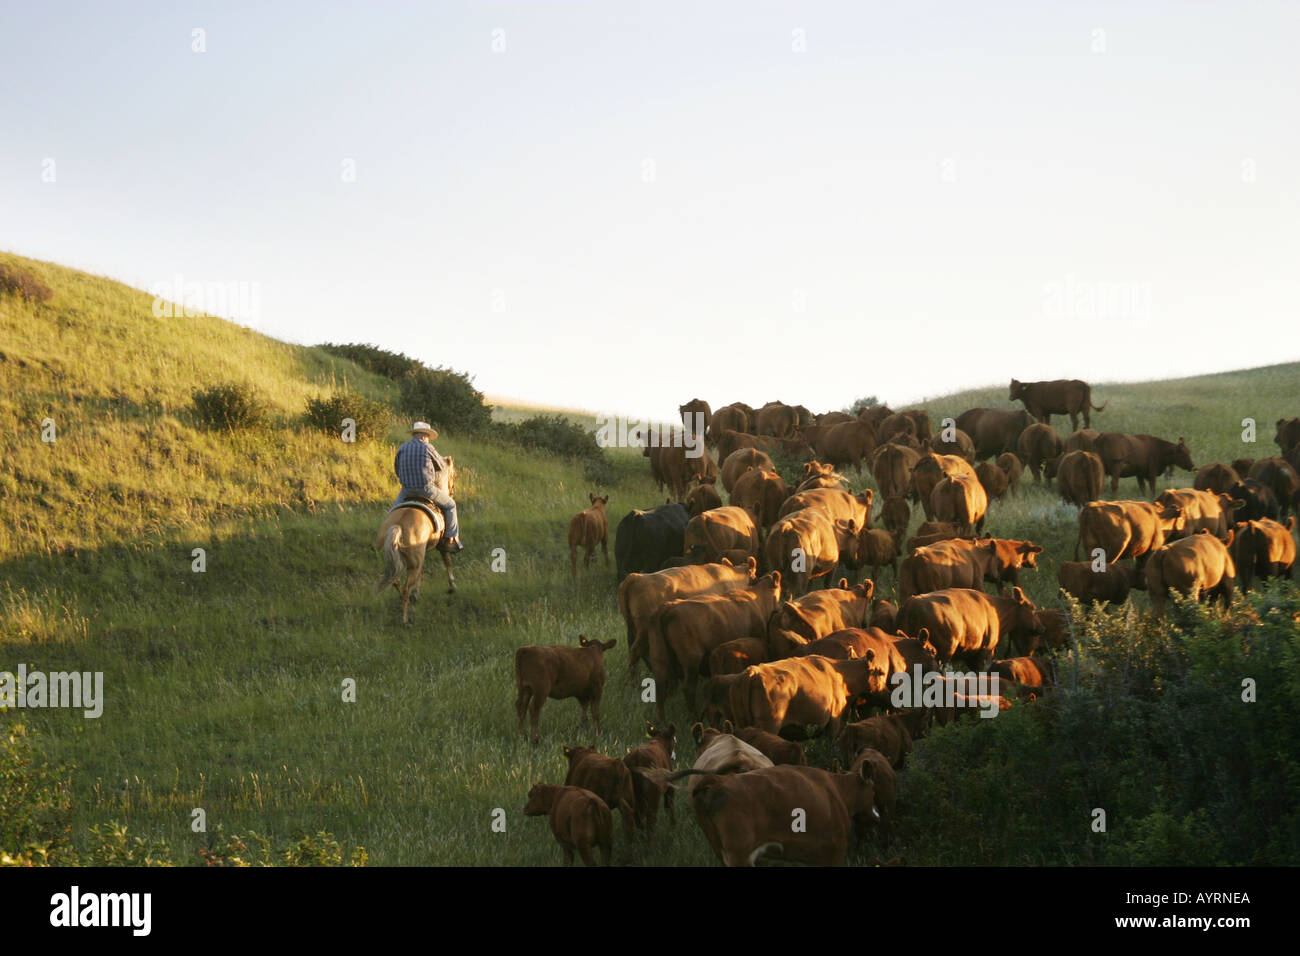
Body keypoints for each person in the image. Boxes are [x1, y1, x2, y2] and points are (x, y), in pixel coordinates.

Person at [393, 421, 462, 552]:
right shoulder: (428, 448)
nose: (428, 440)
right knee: (450, 505)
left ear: (414, 434)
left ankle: (387, 533)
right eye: (428, 437)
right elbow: (442, 467)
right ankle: (451, 538)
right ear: (425, 436)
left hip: (406, 490)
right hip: (426, 489)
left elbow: (396, 469)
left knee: (394, 511)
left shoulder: (402, 448)